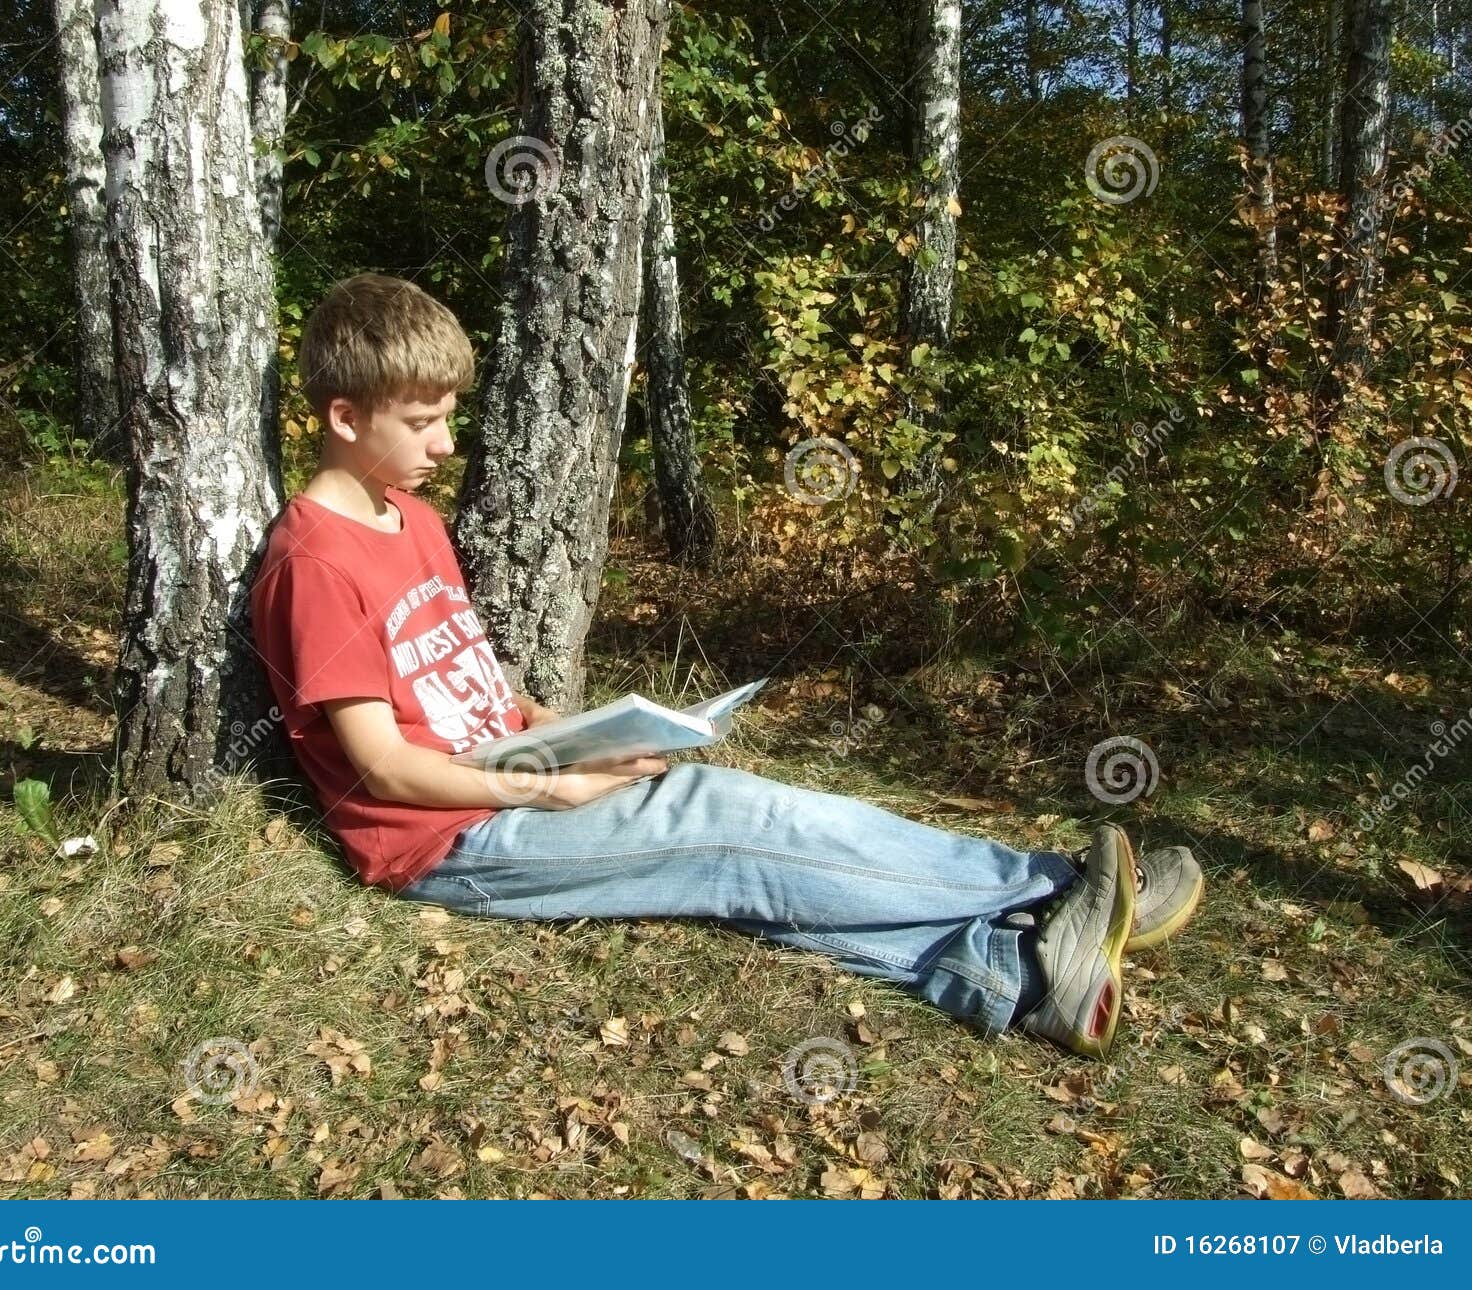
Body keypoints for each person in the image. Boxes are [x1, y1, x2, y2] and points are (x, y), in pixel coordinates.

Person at [249, 274, 1204, 1059]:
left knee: (746, 866)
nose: (446, 444)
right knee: (734, 830)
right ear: (343, 414)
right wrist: (552, 790)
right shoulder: (313, 563)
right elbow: (384, 766)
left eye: (448, 417)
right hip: (447, 842)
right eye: (423, 422)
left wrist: (560, 731)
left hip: (510, 774)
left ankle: (1021, 975)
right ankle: (1048, 888)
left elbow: (462, 674)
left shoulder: (410, 518)